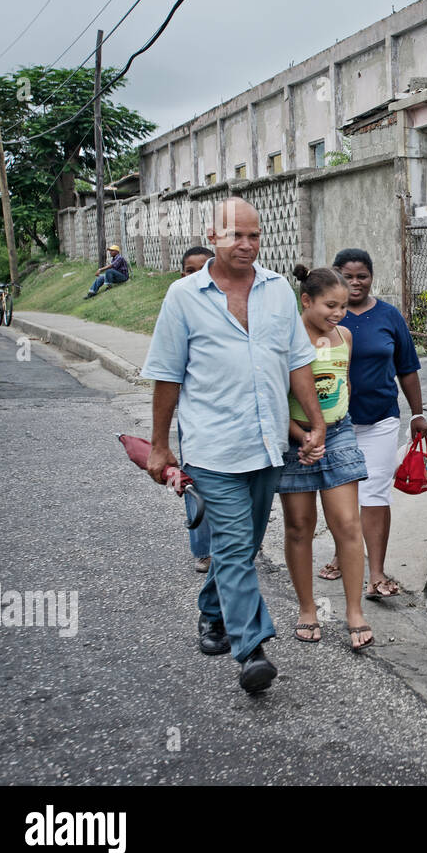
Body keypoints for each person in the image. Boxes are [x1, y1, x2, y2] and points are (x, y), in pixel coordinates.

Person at [142, 197, 325, 694]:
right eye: (234, 235)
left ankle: (211, 612)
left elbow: (297, 362)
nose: (245, 244)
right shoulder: (183, 296)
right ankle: (252, 649)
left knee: (239, 546)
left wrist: (315, 422)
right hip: (213, 449)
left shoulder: (278, 292)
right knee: (234, 547)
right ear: (214, 234)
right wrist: (160, 446)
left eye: (254, 235)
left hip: (267, 446)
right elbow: (165, 375)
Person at [277, 265, 375, 651]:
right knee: (299, 526)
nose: (337, 313)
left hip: (337, 434)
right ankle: (307, 609)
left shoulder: (344, 336)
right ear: (306, 301)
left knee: (348, 525)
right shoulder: (288, 338)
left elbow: (343, 384)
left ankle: (354, 612)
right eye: (329, 306)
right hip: (294, 438)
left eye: (343, 306)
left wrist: (329, 429)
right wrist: (302, 436)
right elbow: (274, 398)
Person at [328, 248, 427, 600]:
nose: (355, 283)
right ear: (336, 276)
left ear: (372, 277)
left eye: (362, 276)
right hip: (335, 423)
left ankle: (376, 573)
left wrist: (417, 413)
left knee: (374, 493)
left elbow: (407, 369)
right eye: (348, 276)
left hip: (382, 419)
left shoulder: (389, 316)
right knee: (341, 494)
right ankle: (342, 553)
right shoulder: (325, 317)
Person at [179, 245, 214, 574]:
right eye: (190, 270)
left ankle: (235, 542)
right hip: (194, 416)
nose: (197, 276)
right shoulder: (178, 304)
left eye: (204, 269)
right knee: (197, 484)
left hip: (232, 413)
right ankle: (203, 549)